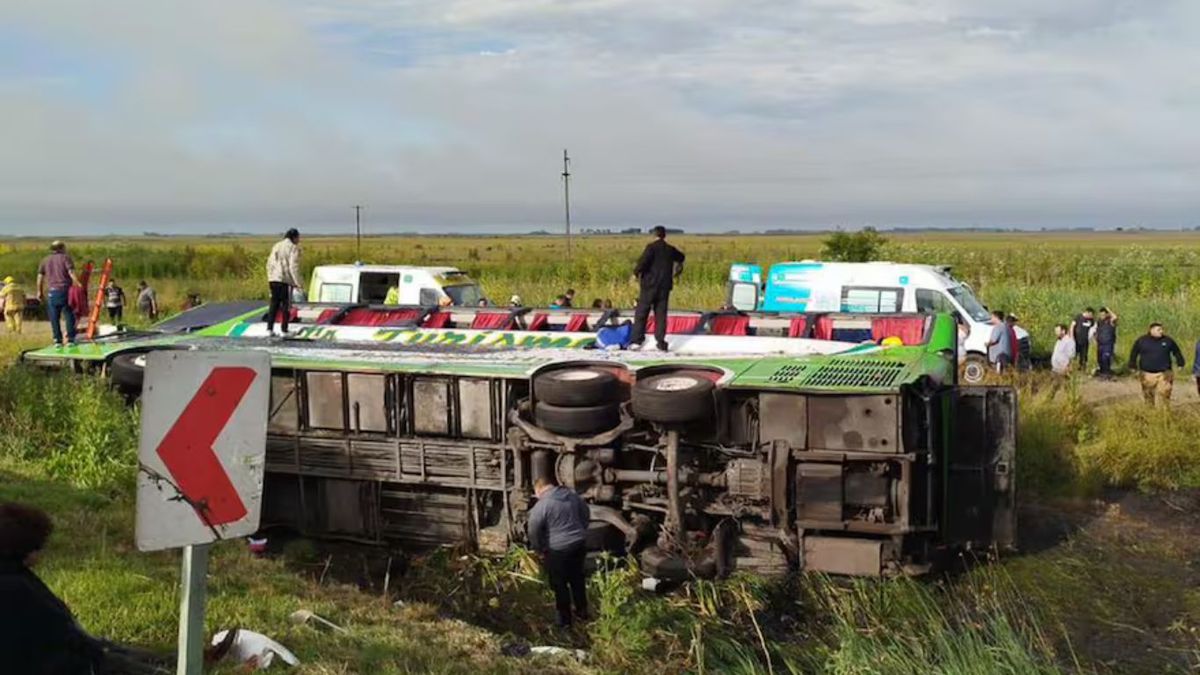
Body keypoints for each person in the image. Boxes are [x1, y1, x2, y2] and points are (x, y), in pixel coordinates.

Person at [527, 478, 590, 628]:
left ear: (539, 489)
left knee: (559, 584)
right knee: (577, 579)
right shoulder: (573, 496)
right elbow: (586, 513)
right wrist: (580, 530)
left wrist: (538, 549)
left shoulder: (542, 505)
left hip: (558, 550)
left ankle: (564, 621)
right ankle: (582, 612)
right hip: (578, 544)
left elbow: (533, 530)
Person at [629, 226, 685, 351]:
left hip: (649, 286)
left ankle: (637, 340)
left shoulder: (651, 248)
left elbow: (643, 262)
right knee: (660, 315)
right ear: (664, 236)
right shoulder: (670, 249)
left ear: (654, 235)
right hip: (664, 287)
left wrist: (635, 273)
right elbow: (681, 257)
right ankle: (660, 342)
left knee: (642, 313)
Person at [36, 241, 81, 347]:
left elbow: (40, 277)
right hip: (65, 290)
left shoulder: (45, 260)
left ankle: (57, 340)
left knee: (54, 317)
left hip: (52, 291)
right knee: (69, 314)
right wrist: (78, 283)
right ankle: (70, 339)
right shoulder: (65, 258)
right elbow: (71, 273)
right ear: (62, 248)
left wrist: (39, 291)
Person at [1128, 323, 1184, 407]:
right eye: (1159, 330)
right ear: (1151, 330)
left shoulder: (1168, 340)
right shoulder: (1142, 341)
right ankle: (1151, 413)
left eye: (1162, 329)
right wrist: (1132, 365)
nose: (1161, 331)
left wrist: (1180, 363)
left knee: (1165, 394)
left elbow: (1176, 352)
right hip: (1147, 373)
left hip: (1165, 373)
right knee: (1148, 396)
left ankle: (1164, 414)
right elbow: (1134, 353)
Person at [266, 228, 302, 336]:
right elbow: (293, 267)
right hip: (283, 280)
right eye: (298, 237)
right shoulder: (293, 248)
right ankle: (284, 329)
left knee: (274, 304)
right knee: (286, 305)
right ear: (294, 237)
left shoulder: (276, 245)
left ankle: (269, 329)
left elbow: (269, 264)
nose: (299, 240)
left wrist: (270, 277)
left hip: (273, 279)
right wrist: (297, 283)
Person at [1094, 307, 1119, 378]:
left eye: (1103, 315)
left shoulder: (1110, 321)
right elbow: (1096, 332)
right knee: (1100, 359)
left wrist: (1108, 310)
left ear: (1107, 315)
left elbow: (1115, 317)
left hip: (1108, 344)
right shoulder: (1099, 322)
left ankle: (1107, 373)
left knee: (1106, 358)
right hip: (1100, 343)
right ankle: (1102, 372)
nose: (1102, 316)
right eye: (1100, 315)